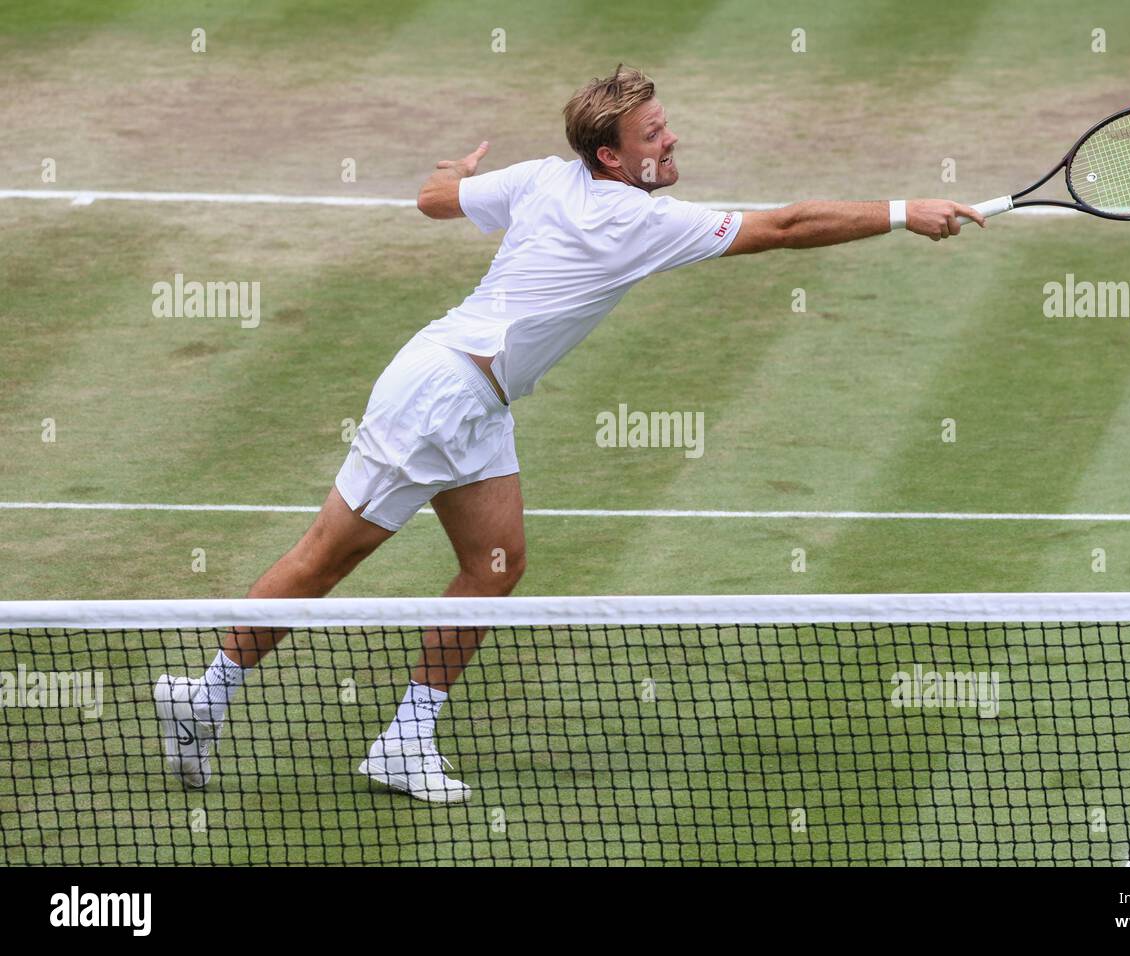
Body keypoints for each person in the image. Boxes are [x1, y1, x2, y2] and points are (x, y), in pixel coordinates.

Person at [154, 65, 986, 804]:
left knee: (495, 566)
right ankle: (202, 699)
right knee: (324, 560)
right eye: (654, 134)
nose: (672, 138)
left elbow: (434, 201)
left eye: (665, 124)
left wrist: (452, 175)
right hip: (437, 399)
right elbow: (787, 226)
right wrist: (902, 210)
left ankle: (404, 741)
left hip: (477, 404)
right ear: (614, 159)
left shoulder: (544, 179)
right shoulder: (635, 223)